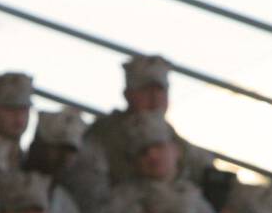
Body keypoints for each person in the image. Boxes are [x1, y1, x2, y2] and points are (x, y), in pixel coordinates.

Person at [84, 54, 212, 187]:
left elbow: (204, 169)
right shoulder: (104, 132)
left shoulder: (172, 137)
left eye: (160, 90)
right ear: (128, 94)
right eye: (145, 90)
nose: (155, 97)